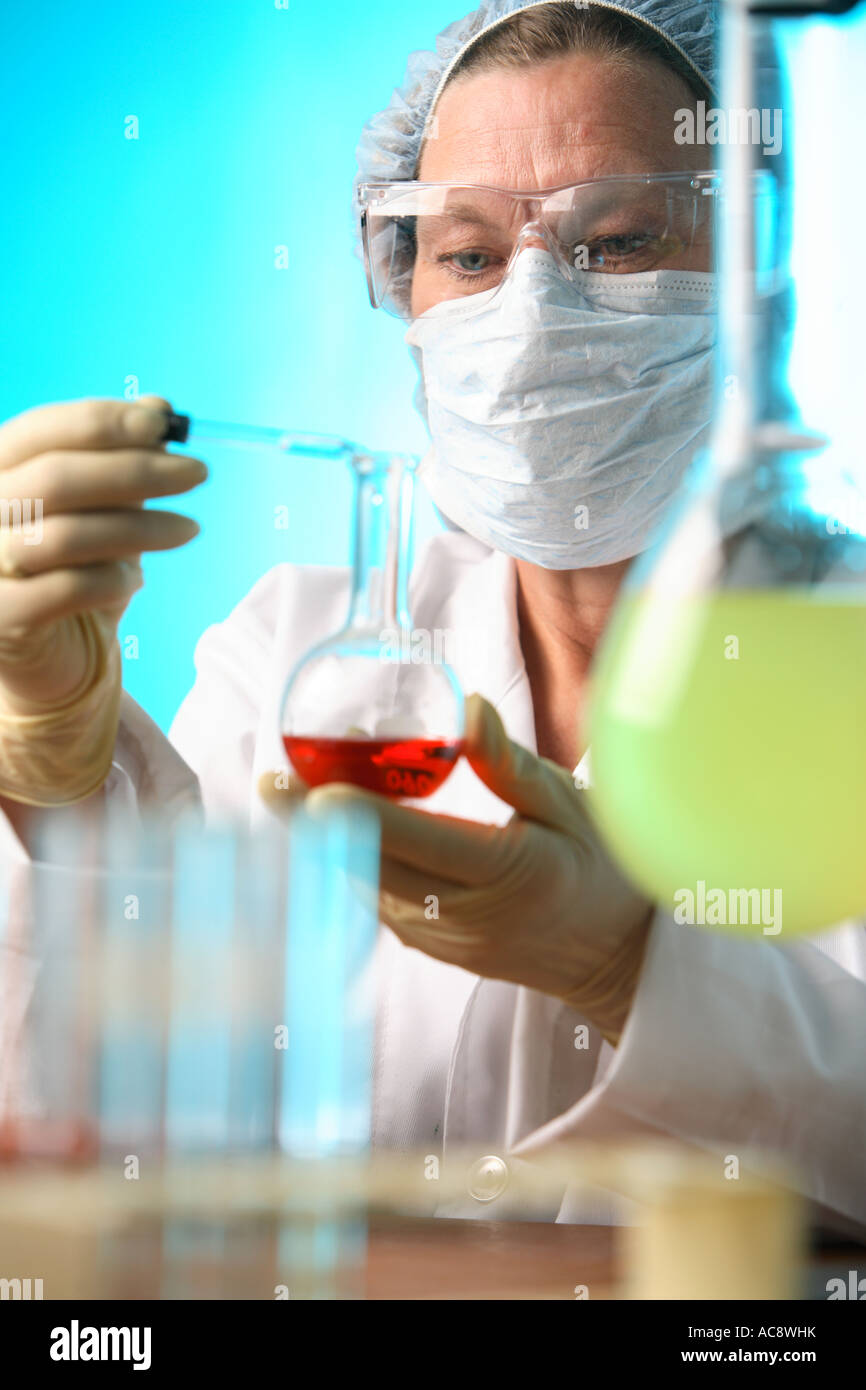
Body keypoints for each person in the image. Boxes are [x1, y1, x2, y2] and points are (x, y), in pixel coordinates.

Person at [1, 0, 864, 1233]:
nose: (528, 316)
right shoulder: (296, 659)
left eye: (613, 240)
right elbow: (103, 1121)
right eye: (465, 253)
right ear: (402, 294)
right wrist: (52, 782)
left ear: (751, 274)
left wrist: (630, 970)